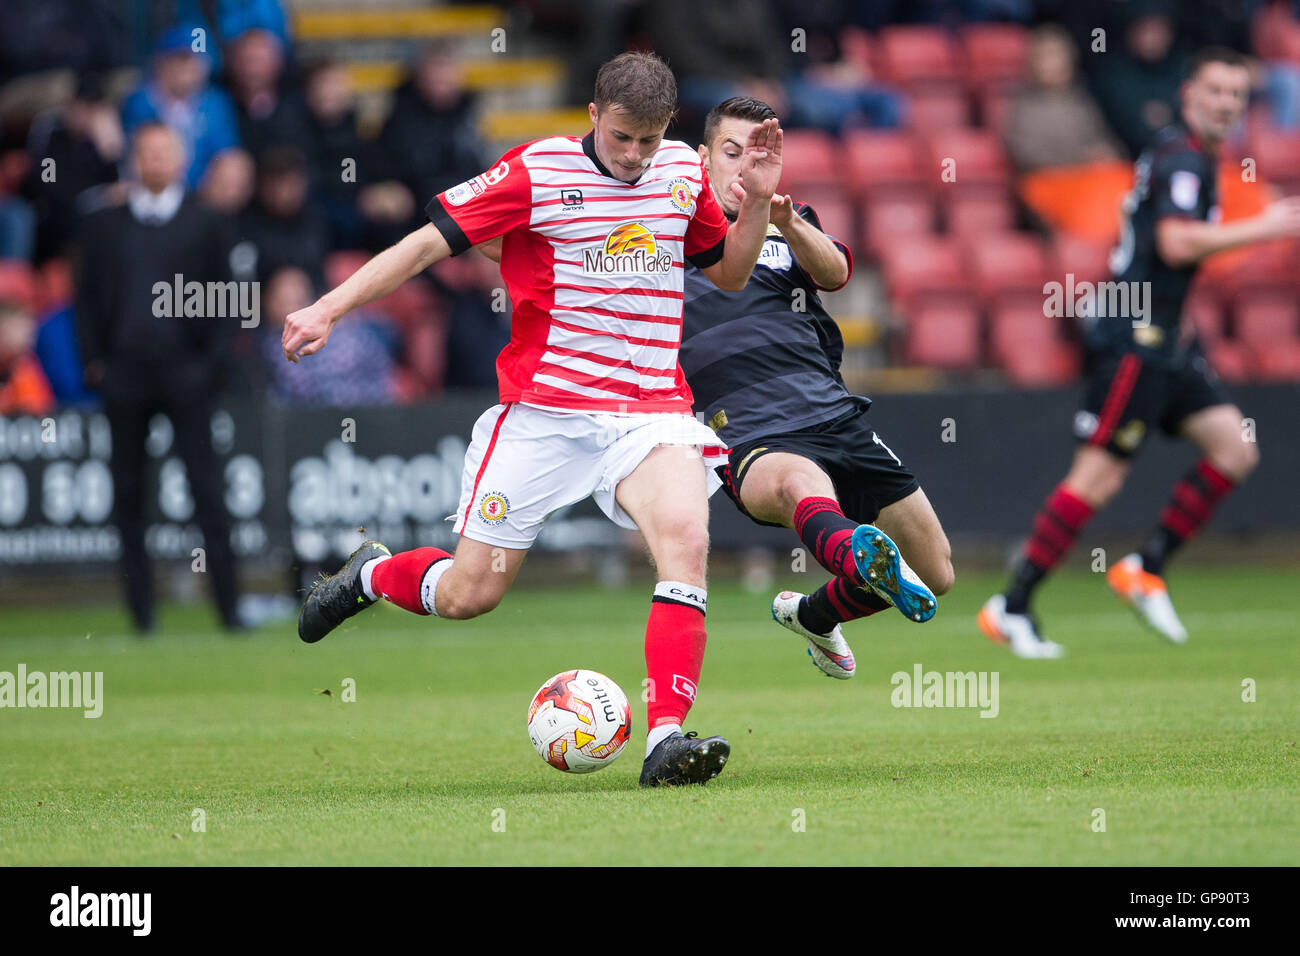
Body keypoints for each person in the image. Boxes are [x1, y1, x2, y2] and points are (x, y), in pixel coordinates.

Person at [282, 52, 782, 787]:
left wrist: (760, 202)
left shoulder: (680, 171)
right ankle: (373, 575)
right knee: (468, 594)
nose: (636, 156)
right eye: (621, 139)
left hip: (651, 413)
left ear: (668, 129)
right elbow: (427, 244)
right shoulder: (534, 173)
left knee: (686, 539)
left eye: (648, 140)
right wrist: (328, 307)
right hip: (545, 413)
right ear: (592, 116)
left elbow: (727, 273)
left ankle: (666, 740)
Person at [979, 48, 1300, 658]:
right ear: (1189, 93)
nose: (1226, 104)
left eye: (1236, 94)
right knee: (1096, 478)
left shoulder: (1195, 157)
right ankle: (1012, 605)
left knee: (1235, 448)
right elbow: (1177, 244)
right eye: (1215, 92)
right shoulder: (1181, 156)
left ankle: (1146, 568)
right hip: (1135, 337)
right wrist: (1267, 225)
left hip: (1168, 339)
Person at [679, 97, 953, 680]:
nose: (744, 169)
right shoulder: (664, 229)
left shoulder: (789, 219)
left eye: (757, 156)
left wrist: (784, 220)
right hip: (749, 432)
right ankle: (855, 552)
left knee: (935, 571)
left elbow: (835, 274)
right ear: (702, 158)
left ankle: (814, 612)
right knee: (804, 484)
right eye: (732, 154)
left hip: (835, 415)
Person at [75, 122, 242, 633]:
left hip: (186, 377)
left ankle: (229, 611)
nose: (156, 161)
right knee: (129, 496)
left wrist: (209, 367)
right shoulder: (105, 225)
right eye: (146, 153)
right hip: (124, 376)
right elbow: (85, 300)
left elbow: (229, 299)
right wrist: (96, 362)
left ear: (182, 159)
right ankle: (141, 615)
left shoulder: (205, 222)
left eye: (165, 152)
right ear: (133, 159)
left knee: (208, 492)